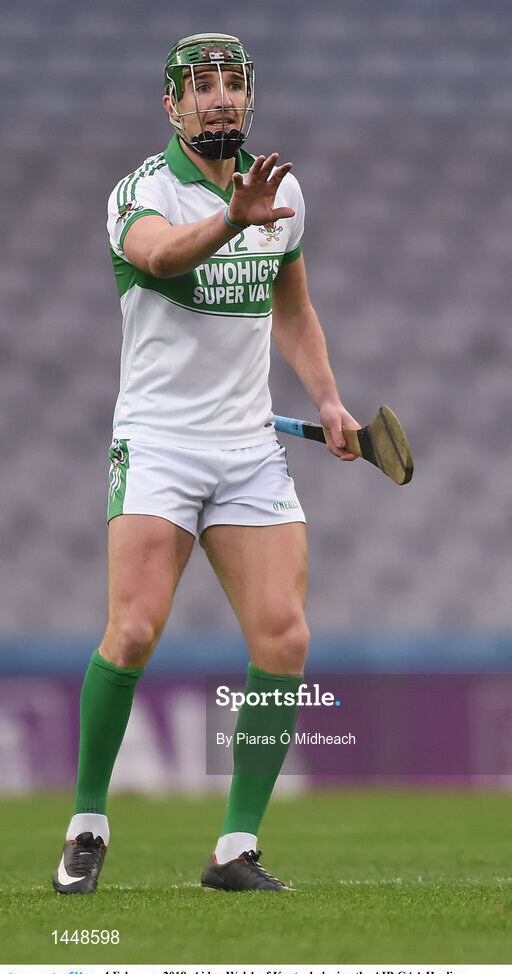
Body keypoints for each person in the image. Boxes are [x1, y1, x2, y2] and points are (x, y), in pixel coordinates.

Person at [52, 31, 360, 895]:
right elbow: (157, 256)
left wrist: (328, 398)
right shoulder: (141, 192)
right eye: (201, 85)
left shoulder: (281, 189)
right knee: (133, 631)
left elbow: (291, 307)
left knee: (285, 636)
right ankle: (86, 823)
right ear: (173, 105)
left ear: (249, 96)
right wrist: (232, 219)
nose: (219, 96)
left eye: (232, 82)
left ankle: (234, 850)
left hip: (248, 447)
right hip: (158, 443)